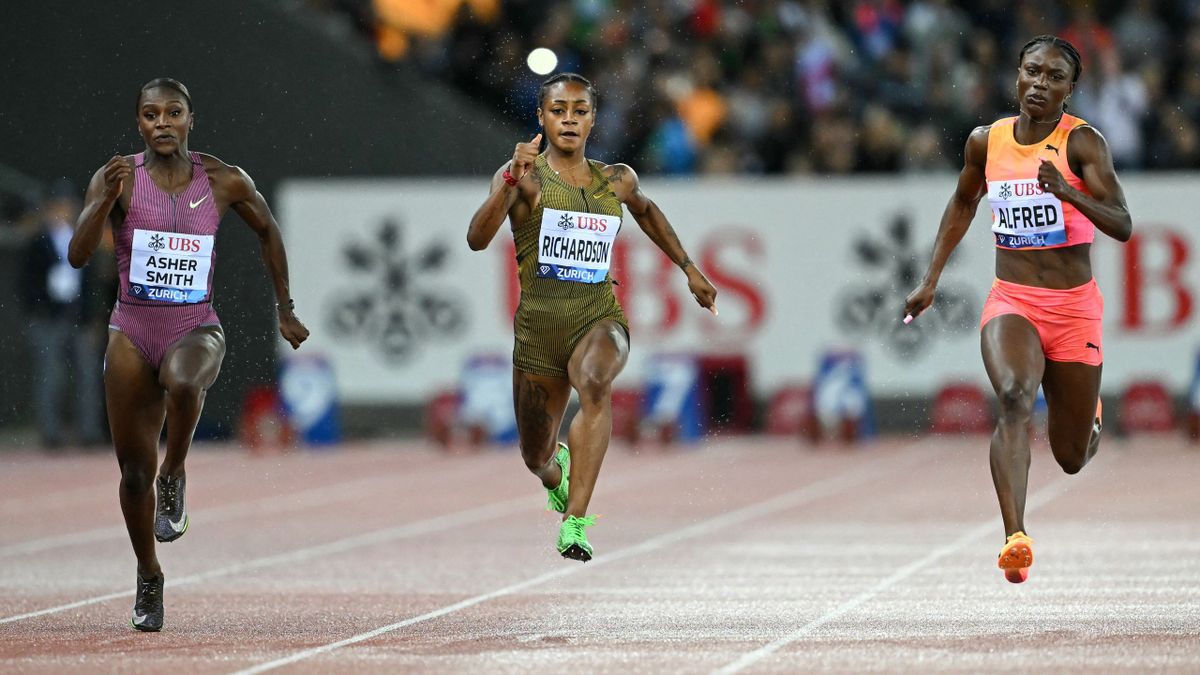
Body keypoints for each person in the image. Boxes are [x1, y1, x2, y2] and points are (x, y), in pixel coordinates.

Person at [68, 78, 310, 630]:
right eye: (150, 115)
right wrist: (102, 203)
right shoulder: (118, 177)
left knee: (183, 381)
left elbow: (268, 231)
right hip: (131, 325)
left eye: (172, 113)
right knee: (132, 474)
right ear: (139, 125)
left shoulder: (222, 179)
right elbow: (79, 255)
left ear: (189, 119)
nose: (161, 123)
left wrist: (286, 308)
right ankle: (148, 573)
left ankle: (174, 473)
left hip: (195, 323)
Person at [904, 36, 1132, 583]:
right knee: (1012, 397)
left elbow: (1122, 223)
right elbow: (963, 201)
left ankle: (1088, 413)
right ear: (1017, 74)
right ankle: (1015, 536)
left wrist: (1069, 194)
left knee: (1072, 457)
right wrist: (930, 277)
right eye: (1032, 71)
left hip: (1074, 310)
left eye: (1054, 77)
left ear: (1070, 89)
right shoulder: (987, 142)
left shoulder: (1083, 145)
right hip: (1013, 300)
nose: (1039, 84)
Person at [467, 73, 718, 562]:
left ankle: (575, 522)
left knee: (596, 381)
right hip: (538, 331)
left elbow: (646, 212)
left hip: (597, 315)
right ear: (541, 117)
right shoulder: (523, 175)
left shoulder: (616, 178)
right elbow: (477, 239)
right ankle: (556, 473)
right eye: (558, 110)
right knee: (534, 456)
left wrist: (689, 268)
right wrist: (508, 185)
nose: (568, 120)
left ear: (592, 120)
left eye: (579, 111)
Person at [18, 179, 105, 449]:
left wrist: (92, 318)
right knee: (49, 375)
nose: (61, 211)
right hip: (49, 316)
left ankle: (88, 431)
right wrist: (40, 306)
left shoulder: (83, 236)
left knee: (87, 374)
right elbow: (26, 282)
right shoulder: (37, 241)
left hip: (77, 315)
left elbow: (91, 283)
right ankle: (51, 432)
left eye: (65, 206)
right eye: (56, 206)